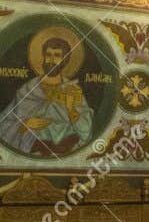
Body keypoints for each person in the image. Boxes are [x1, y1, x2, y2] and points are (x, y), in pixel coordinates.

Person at [0, 28, 92, 157]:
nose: (51, 60)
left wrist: (70, 108)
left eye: (57, 56)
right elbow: (4, 124)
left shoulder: (73, 90)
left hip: (67, 151)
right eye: (48, 55)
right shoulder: (27, 89)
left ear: (65, 60)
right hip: (36, 151)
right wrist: (25, 124)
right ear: (43, 57)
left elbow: (86, 132)